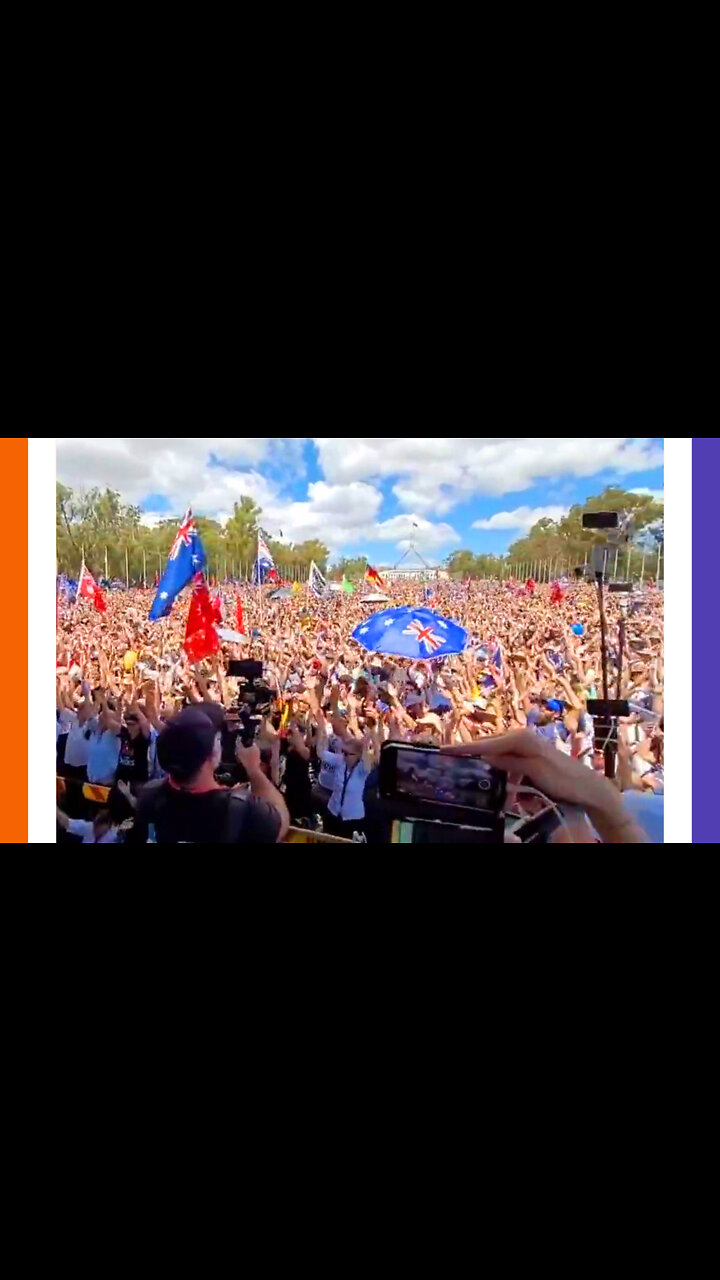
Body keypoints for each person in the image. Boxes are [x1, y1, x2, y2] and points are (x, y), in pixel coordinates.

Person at [127, 707, 289, 844]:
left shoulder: (149, 796)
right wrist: (254, 770)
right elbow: (281, 821)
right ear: (213, 755)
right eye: (216, 740)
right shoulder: (242, 810)